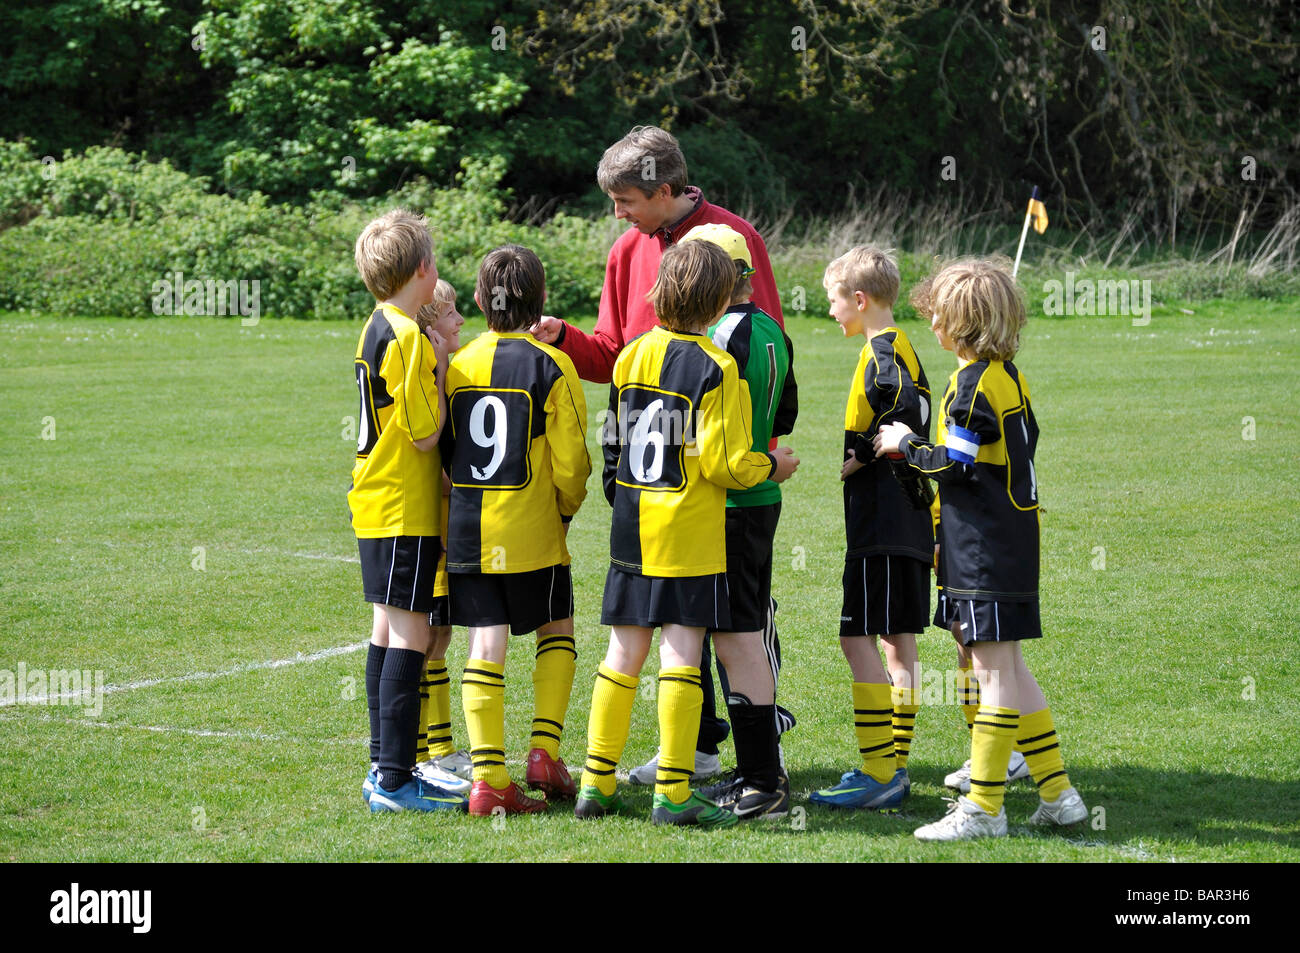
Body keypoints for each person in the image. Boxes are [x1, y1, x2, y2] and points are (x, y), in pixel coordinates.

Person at [534, 124, 791, 777]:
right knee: (675, 619)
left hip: (726, 472)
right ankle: (695, 751)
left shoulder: (735, 241)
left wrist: (754, 452)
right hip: (655, 478)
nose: (616, 213)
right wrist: (561, 335)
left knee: (732, 619)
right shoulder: (626, 251)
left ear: (666, 189)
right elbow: (613, 355)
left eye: (624, 200)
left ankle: (758, 750)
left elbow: (764, 355)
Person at [573, 239, 798, 827]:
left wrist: (624, 499)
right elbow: (724, 463)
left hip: (632, 528)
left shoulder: (632, 356)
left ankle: (595, 784)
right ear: (721, 297)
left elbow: (615, 441)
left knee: (621, 655)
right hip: (688, 533)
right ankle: (674, 791)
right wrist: (772, 466)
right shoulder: (716, 367)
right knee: (680, 652)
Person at [874, 258, 1088, 840]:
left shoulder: (972, 383)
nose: (931, 322)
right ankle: (1059, 795)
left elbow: (956, 465)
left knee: (992, 675)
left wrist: (905, 443)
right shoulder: (1007, 374)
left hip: (983, 548)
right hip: (1014, 540)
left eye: (938, 313)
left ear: (960, 322)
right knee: (1011, 671)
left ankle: (984, 810)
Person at [441, 244, 591, 816]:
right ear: (542, 300)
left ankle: (487, 780)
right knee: (557, 628)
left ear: (480, 299)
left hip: (470, 534)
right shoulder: (554, 365)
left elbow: (444, 450)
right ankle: (544, 753)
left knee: (486, 642)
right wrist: (564, 511)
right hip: (533, 531)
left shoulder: (458, 366)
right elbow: (573, 462)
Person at [668, 223, 798, 820]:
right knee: (736, 632)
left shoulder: (716, 336)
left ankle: (762, 781)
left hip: (730, 499)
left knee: (737, 637)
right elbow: (786, 412)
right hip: (757, 496)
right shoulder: (774, 327)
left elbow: (710, 428)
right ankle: (752, 772)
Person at [350, 209, 466, 813]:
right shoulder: (411, 336)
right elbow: (424, 435)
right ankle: (394, 780)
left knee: (385, 629)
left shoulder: (377, 322)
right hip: (404, 505)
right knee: (413, 633)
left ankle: (383, 767)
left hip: (374, 500)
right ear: (423, 268)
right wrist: (445, 371)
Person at [808, 247, 932, 811]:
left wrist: (862, 451)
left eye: (833, 300)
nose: (830, 310)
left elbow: (903, 406)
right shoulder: (902, 343)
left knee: (855, 638)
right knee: (896, 645)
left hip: (882, 522)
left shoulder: (881, 351)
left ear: (859, 300)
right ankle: (895, 766)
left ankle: (879, 773)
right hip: (906, 521)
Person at [411, 281, 473, 790]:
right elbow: (442, 463)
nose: (460, 322)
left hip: (444, 533)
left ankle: (441, 748)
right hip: (427, 530)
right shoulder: (430, 381)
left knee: (441, 636)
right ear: (429, 327)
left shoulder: (445, 375)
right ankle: (419, 753)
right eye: (450, 315)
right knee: (427, 639)